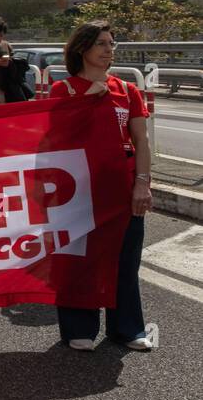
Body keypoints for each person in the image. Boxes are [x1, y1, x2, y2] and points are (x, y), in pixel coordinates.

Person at [49, 21, 153, 352]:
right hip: (78, 189)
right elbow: (57, 141)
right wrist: (86, 105)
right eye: (102, 44)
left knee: (125, 258)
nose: (110, 50)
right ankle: (78, 327)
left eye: (112, 44)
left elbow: (141, 141)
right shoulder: (62, 91)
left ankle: (127, 328)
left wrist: (142, 184)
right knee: (81, 258)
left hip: (121, 185)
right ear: (82, 48)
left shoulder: (127, 90)